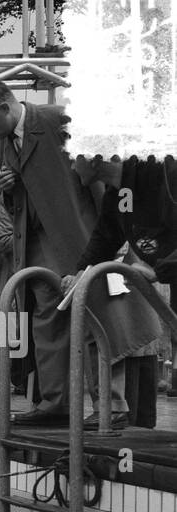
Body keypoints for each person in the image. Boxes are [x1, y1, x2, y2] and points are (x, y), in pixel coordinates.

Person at [0, 79, 96, 425]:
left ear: (5, 107)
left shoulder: (57, 120)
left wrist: (112, 228)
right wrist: (10, 191)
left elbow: (99, 173)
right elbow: (19, 197)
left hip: (73, 231)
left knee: (93, 313)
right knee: (45, 313)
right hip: (35, 238)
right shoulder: (2, 141)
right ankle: (56, 403)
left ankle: (111, 407)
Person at [66, 154, 177, 429]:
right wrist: (80, 273)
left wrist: (159, 270)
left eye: (72, 157)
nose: (69, 166)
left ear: (92, 158)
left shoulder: (160, 173)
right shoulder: (119, 193)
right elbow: (105, 237)